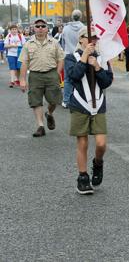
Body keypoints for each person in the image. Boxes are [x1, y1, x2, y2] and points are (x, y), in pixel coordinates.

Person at [65, 27, 113, 194]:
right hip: (80, 104)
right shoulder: (71, 57)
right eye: (89, 37)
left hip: (98, 104)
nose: (93, 41)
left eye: (96, 38)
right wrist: (85, 57)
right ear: (81, 39)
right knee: (83, 143)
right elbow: (73, 76)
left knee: (101, 143)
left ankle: (98, 163)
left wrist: (98, 68)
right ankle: (83, 177)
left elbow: (107, 82)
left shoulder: (103, 58)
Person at [18, 18, 64, 137]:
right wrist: (22, 80)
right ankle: (40, 126)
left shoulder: (54, 42)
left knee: (54, 100)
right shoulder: (28, 44)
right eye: (37, 26)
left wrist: (58, 72)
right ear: (33, 28)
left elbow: (61, 59)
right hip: (35, 75)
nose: (40, 28)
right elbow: (24, 62)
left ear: (47, 28)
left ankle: (49, 113)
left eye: (43, 26)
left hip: (51, 73)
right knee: (35, 101)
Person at [60, 10, 84, 107]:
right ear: (81, 17)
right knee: (81, 78)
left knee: (67, 79)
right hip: (80, 55)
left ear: (72, 17)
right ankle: (80, 100)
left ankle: (66, 100)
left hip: (68, 54)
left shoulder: (65, 29)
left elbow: (62, 43)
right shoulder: (83, 28)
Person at [5, 23, 26, 87]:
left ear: (17, 30)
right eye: (12, 29)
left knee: (18, 68)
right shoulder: (8, 36)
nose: (14, 30)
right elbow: (5, 45)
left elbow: (25, 45)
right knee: (12, 68)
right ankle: (12, 81)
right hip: (11, 54)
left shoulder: (20, 35)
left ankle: (17, 79)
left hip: (19, 54)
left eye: (15, 29)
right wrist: (12, 45)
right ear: (10, 30)